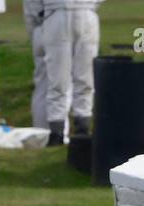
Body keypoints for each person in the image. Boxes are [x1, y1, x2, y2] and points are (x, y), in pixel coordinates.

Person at [41, 0, 102, 145]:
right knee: (58, 79)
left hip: (86, 11)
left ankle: (83, 128)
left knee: (86, 77)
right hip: (56, 11)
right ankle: (57, 132)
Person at [23, 0, 48, 130]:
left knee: (46, 86)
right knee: (48, 86)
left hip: (42, 25)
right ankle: (46, 133)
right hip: (46, 24)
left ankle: (47, 133)